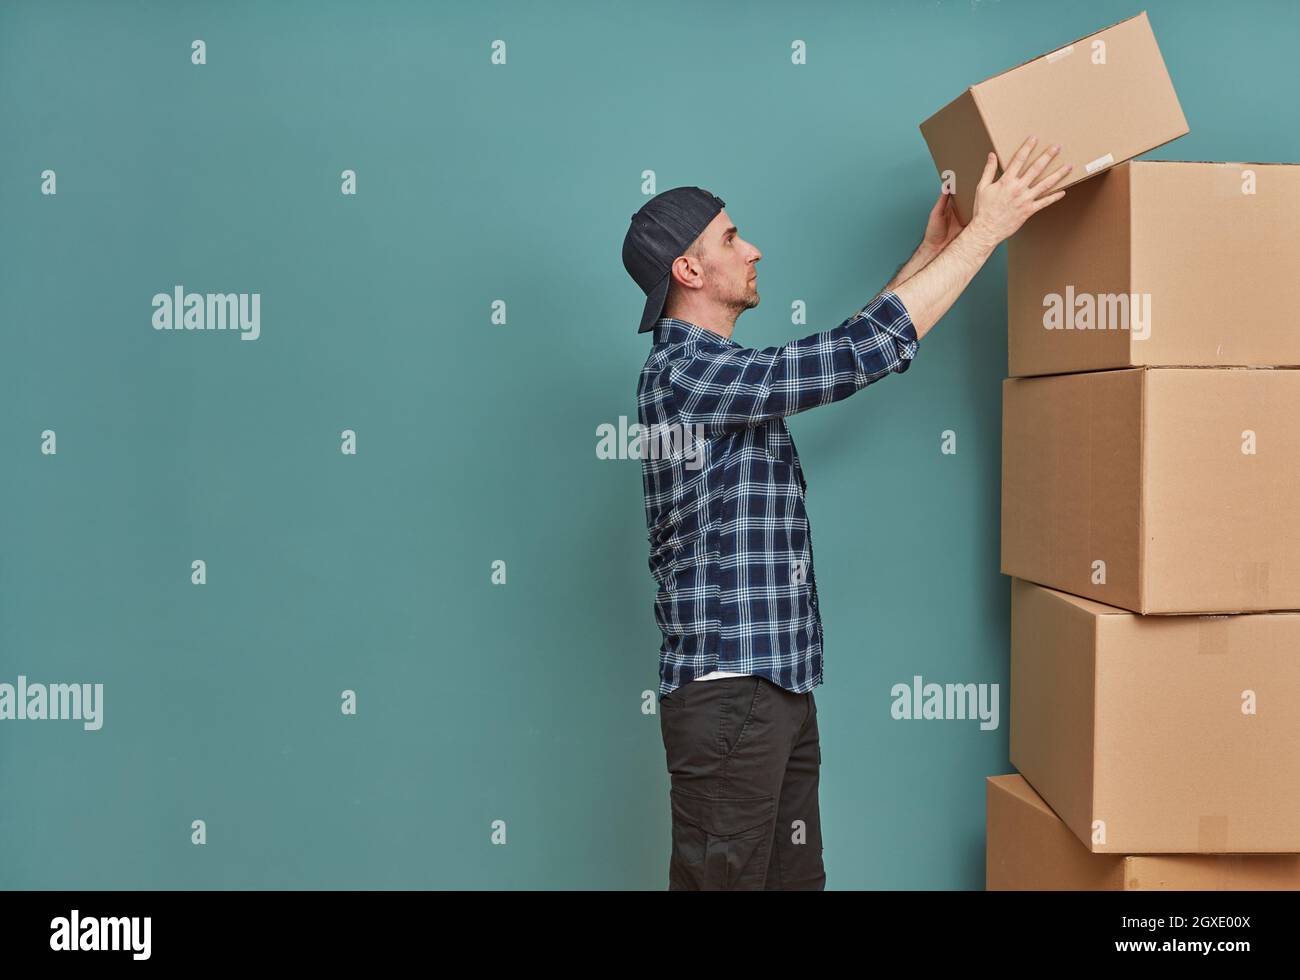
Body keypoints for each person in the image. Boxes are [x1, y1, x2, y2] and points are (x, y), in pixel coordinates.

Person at [621, 137, 1070, 890]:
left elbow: (851, 346)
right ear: (689, 270)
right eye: (732, 238)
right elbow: (855, 355)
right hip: (731, 695)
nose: (753, 249)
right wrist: (989, 232)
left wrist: (933, 252)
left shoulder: (724, 373)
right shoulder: (685, 372)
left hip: (776, 688)